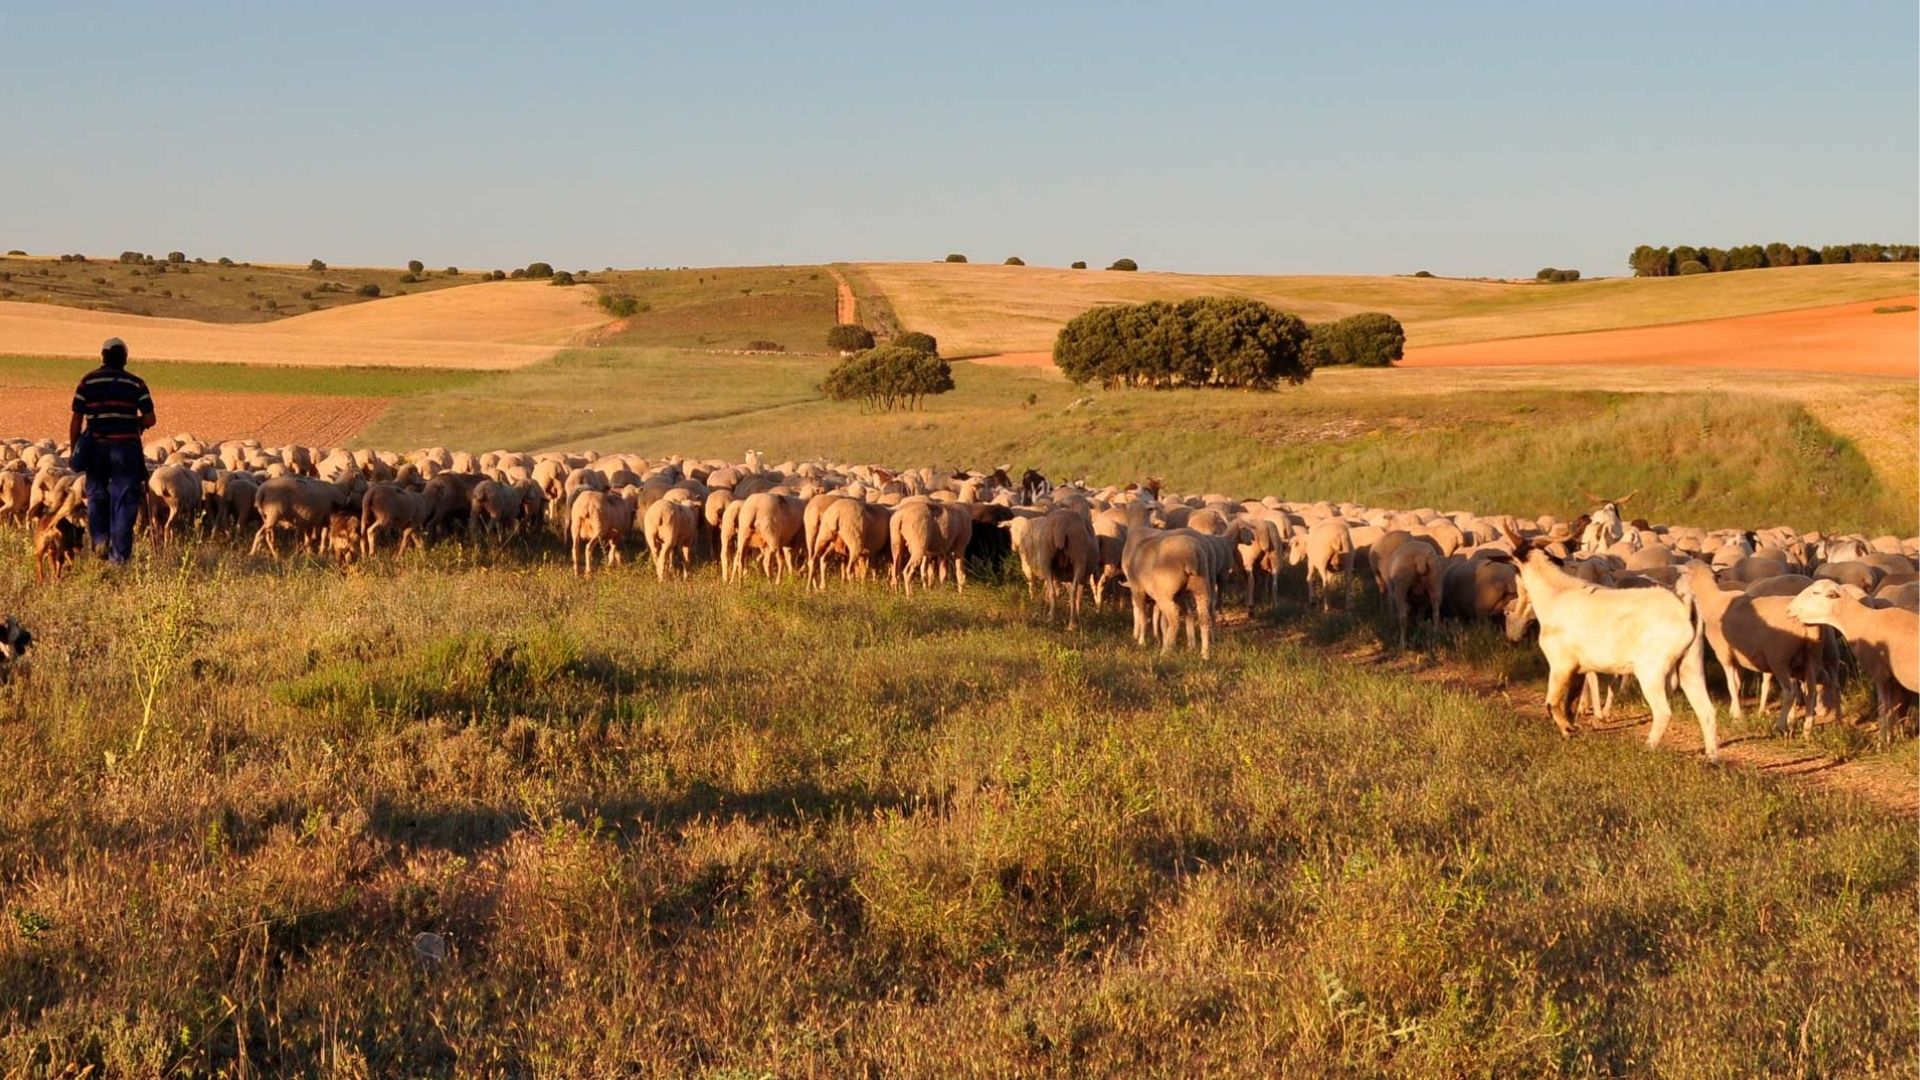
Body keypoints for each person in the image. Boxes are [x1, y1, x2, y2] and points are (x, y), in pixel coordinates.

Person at [69, 337, 156, 565]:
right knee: (124, 500)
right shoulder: (136, 383)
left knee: (96, 495)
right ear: (125, 359)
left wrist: (75, 448)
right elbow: (150, 418)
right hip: (126, 450)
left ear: (103, 356)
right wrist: (136, 423)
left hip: (96, 447)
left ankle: (99, 542)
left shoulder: (87, 382)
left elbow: (76, 419)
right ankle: (118, 559)